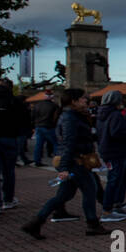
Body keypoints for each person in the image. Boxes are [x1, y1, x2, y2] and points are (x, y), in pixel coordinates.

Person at [22, 88, 105, 239]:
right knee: (90, 190)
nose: (86, 100)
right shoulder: (70, 117)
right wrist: (65, 167)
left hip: (73, 158)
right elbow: (68, 142)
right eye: (82, 98)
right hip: (75, 160)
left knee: (64, 194)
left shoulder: (72, 116)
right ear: (74, 101)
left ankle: (35, 222)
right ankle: (92, 224)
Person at [0, 78, 31, 215]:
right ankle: (8, 200)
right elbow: (25, 119)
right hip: (9, 137)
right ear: (10, 87)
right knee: (8, 171)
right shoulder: (15, 101)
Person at [96, 90, 126, 221]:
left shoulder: (102, 113)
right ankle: (107, 209)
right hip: (115, 150)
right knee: (115, 179)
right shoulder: (115, 114)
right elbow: (116, 133)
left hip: (107, 149)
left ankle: (116, 204)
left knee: (124, 177)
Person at [30, 88, 60, 166]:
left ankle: (37, 161)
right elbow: (56, 117)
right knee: (55, 144)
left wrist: (33, 126)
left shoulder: (37, 105)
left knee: (38, 145)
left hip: (38, 126)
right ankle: (58, 161)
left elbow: (32, 116)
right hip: (49, 126)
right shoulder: (54, 106)